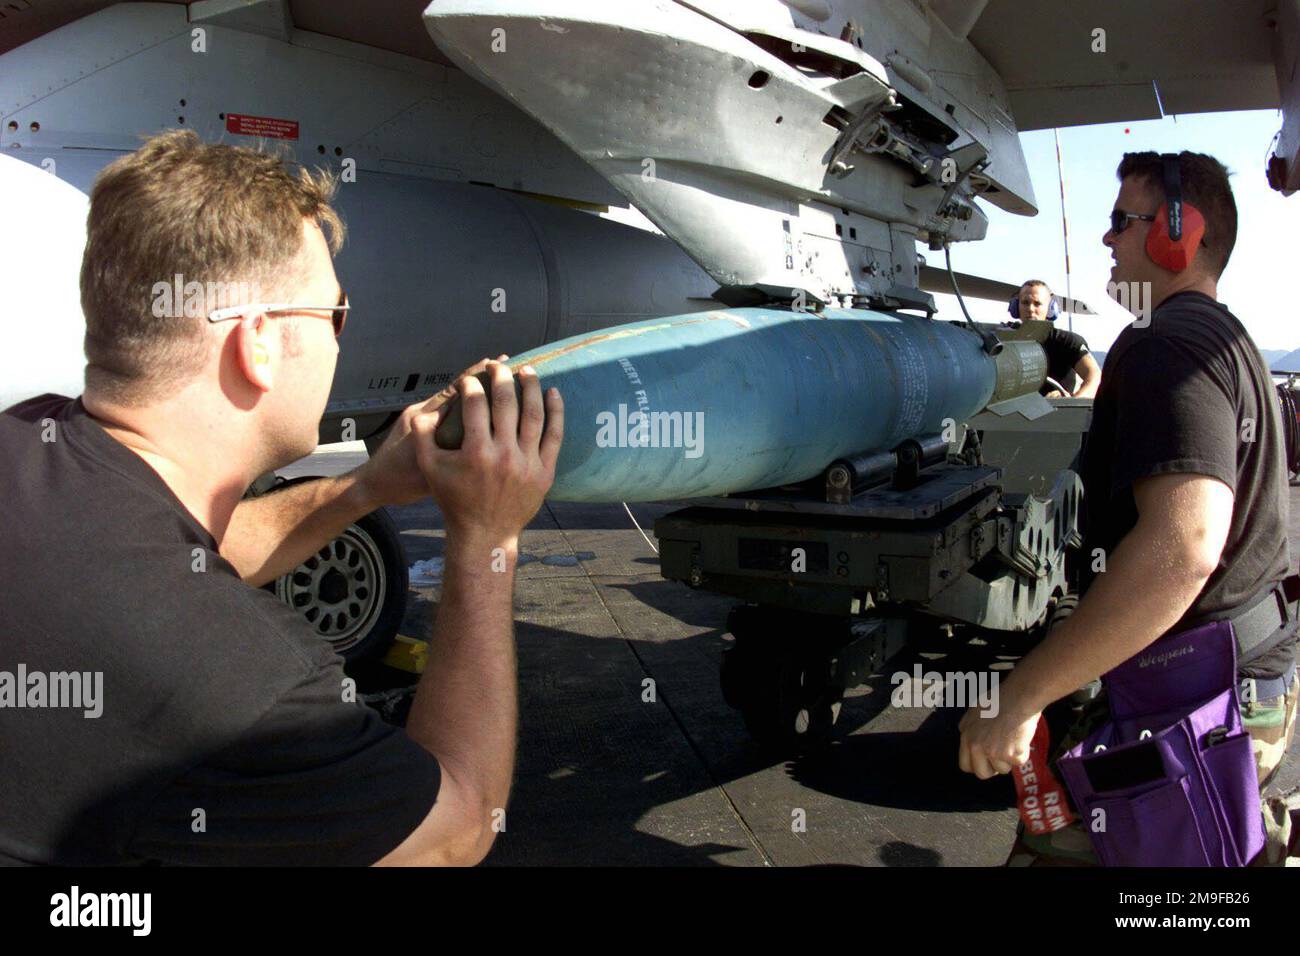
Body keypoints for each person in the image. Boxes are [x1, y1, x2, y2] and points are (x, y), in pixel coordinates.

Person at [0, 129, 564, 865]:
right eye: (336, 316)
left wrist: (368, 485)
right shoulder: (243, 685)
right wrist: (487, 537)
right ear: (256, 344)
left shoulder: (29, 443)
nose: (340, 341)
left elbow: (182, 554)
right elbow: (455, 831)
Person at [959, 151, 1299, 865]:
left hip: (1193, 697)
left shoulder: (1164, 345)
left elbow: (1184, 548)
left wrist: (1022, 696)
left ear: (1181, 231)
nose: (1107, 240)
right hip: (1237, 684)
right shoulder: (1226, 339)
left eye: (1123, 220)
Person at [1009, 280, 1101, 398]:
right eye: (1025, 303)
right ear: (1016, 306)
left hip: (1058, 413)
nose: (1031, 309)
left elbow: (1094, 376)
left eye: (1037, 304)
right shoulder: (1005, 342)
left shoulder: (1067, 342)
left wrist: (1073, 400)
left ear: (1051, 308)